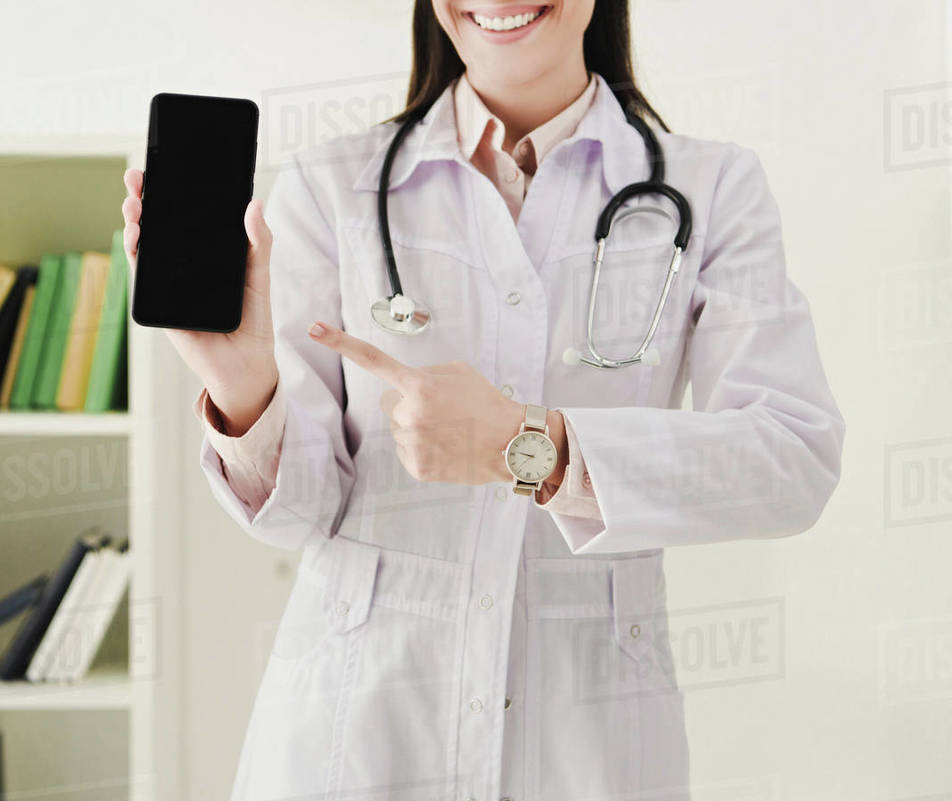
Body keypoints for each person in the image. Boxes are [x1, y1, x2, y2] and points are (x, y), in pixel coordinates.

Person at [121, 2, 845, 799]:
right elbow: (299, 514)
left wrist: (529, 445)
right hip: (353, 745)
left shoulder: (712, 188)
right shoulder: (332, 187)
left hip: (586, 747)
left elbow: (791, 459)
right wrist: (242, 386)